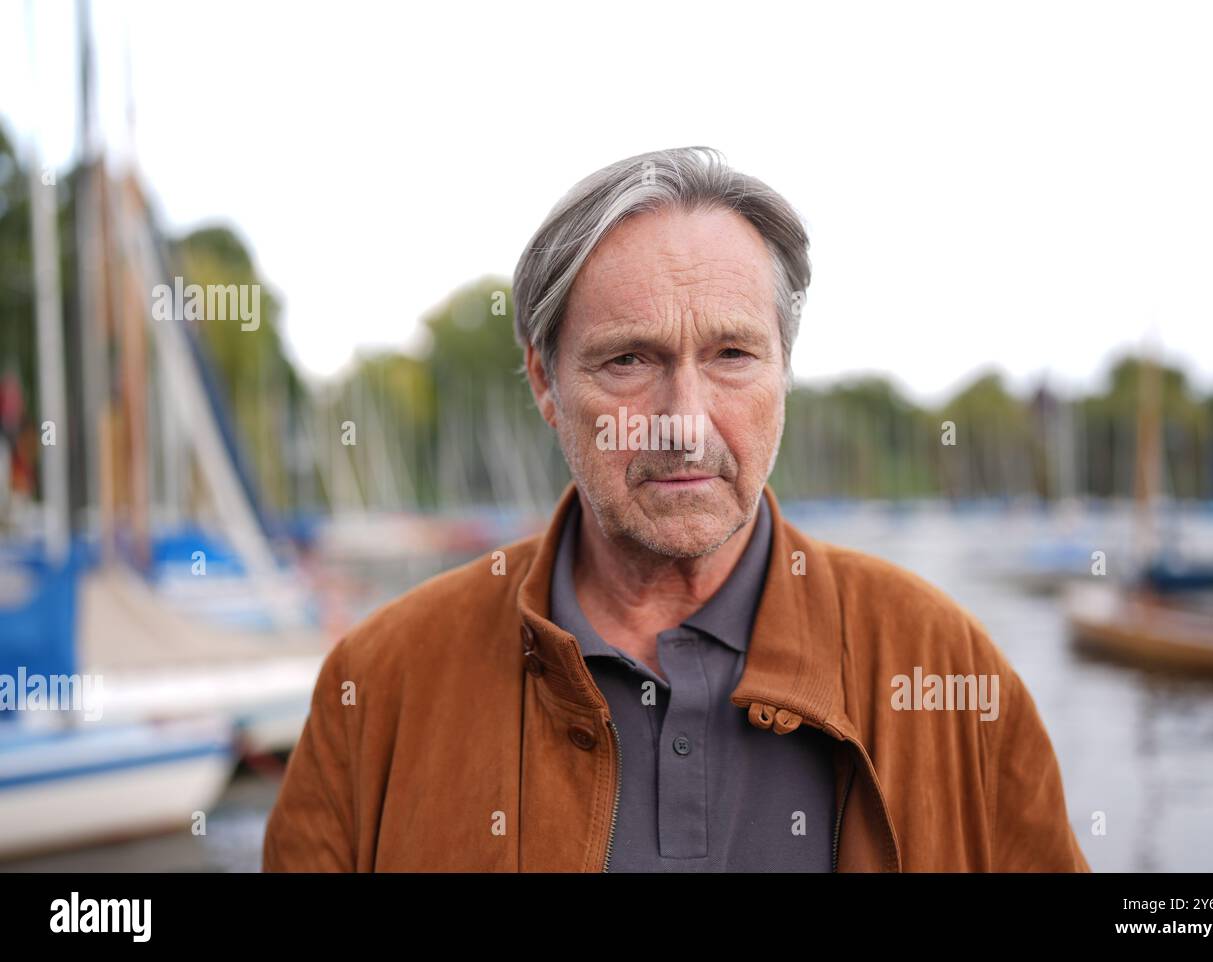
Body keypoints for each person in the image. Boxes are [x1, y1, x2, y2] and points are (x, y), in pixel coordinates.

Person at [263, 146, 1090, 872]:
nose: (685, 421)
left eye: (732, 354)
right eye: (628, 359)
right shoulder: (380, 685)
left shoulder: (944, 668)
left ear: (783, 374)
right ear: (547, 382)